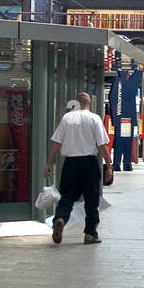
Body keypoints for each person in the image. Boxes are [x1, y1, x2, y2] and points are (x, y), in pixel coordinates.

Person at [43, 92, 111, 244]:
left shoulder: (67, 118)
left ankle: (60, 218)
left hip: (71, 163)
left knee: (67, 196)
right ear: (89, 104)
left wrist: (48, 163)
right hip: (89, 163)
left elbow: (56, 142)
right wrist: (109, 166)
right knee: (91, 199)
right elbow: (102, 145)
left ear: (76, 103)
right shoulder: (94, 118)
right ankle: (90, 234)